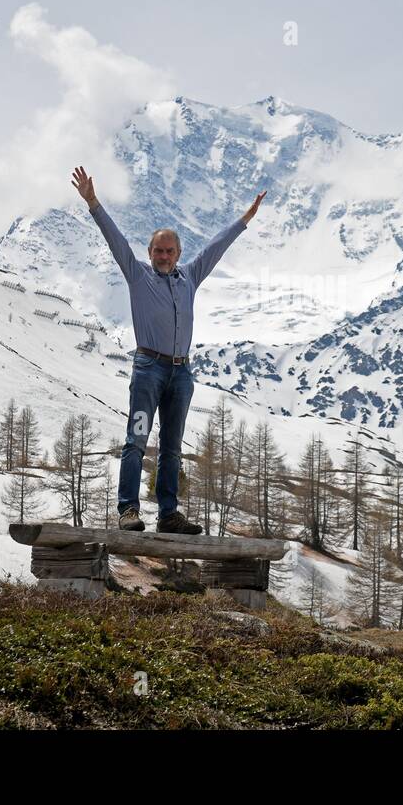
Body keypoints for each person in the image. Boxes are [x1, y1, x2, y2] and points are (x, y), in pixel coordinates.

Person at [71, 165, 265, 533]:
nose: (163, 255)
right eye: (158, 250)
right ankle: (128, 510)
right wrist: (93, 202)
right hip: (148, 370)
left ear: (178, 253)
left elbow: (216, 247)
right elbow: (115, 240)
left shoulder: (190, 276)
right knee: (137, 439)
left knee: (172, 447)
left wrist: (245, 219)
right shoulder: (137, 274)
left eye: (169, 251)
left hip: (181, 374)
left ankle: (168, 514)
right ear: (150, 252)